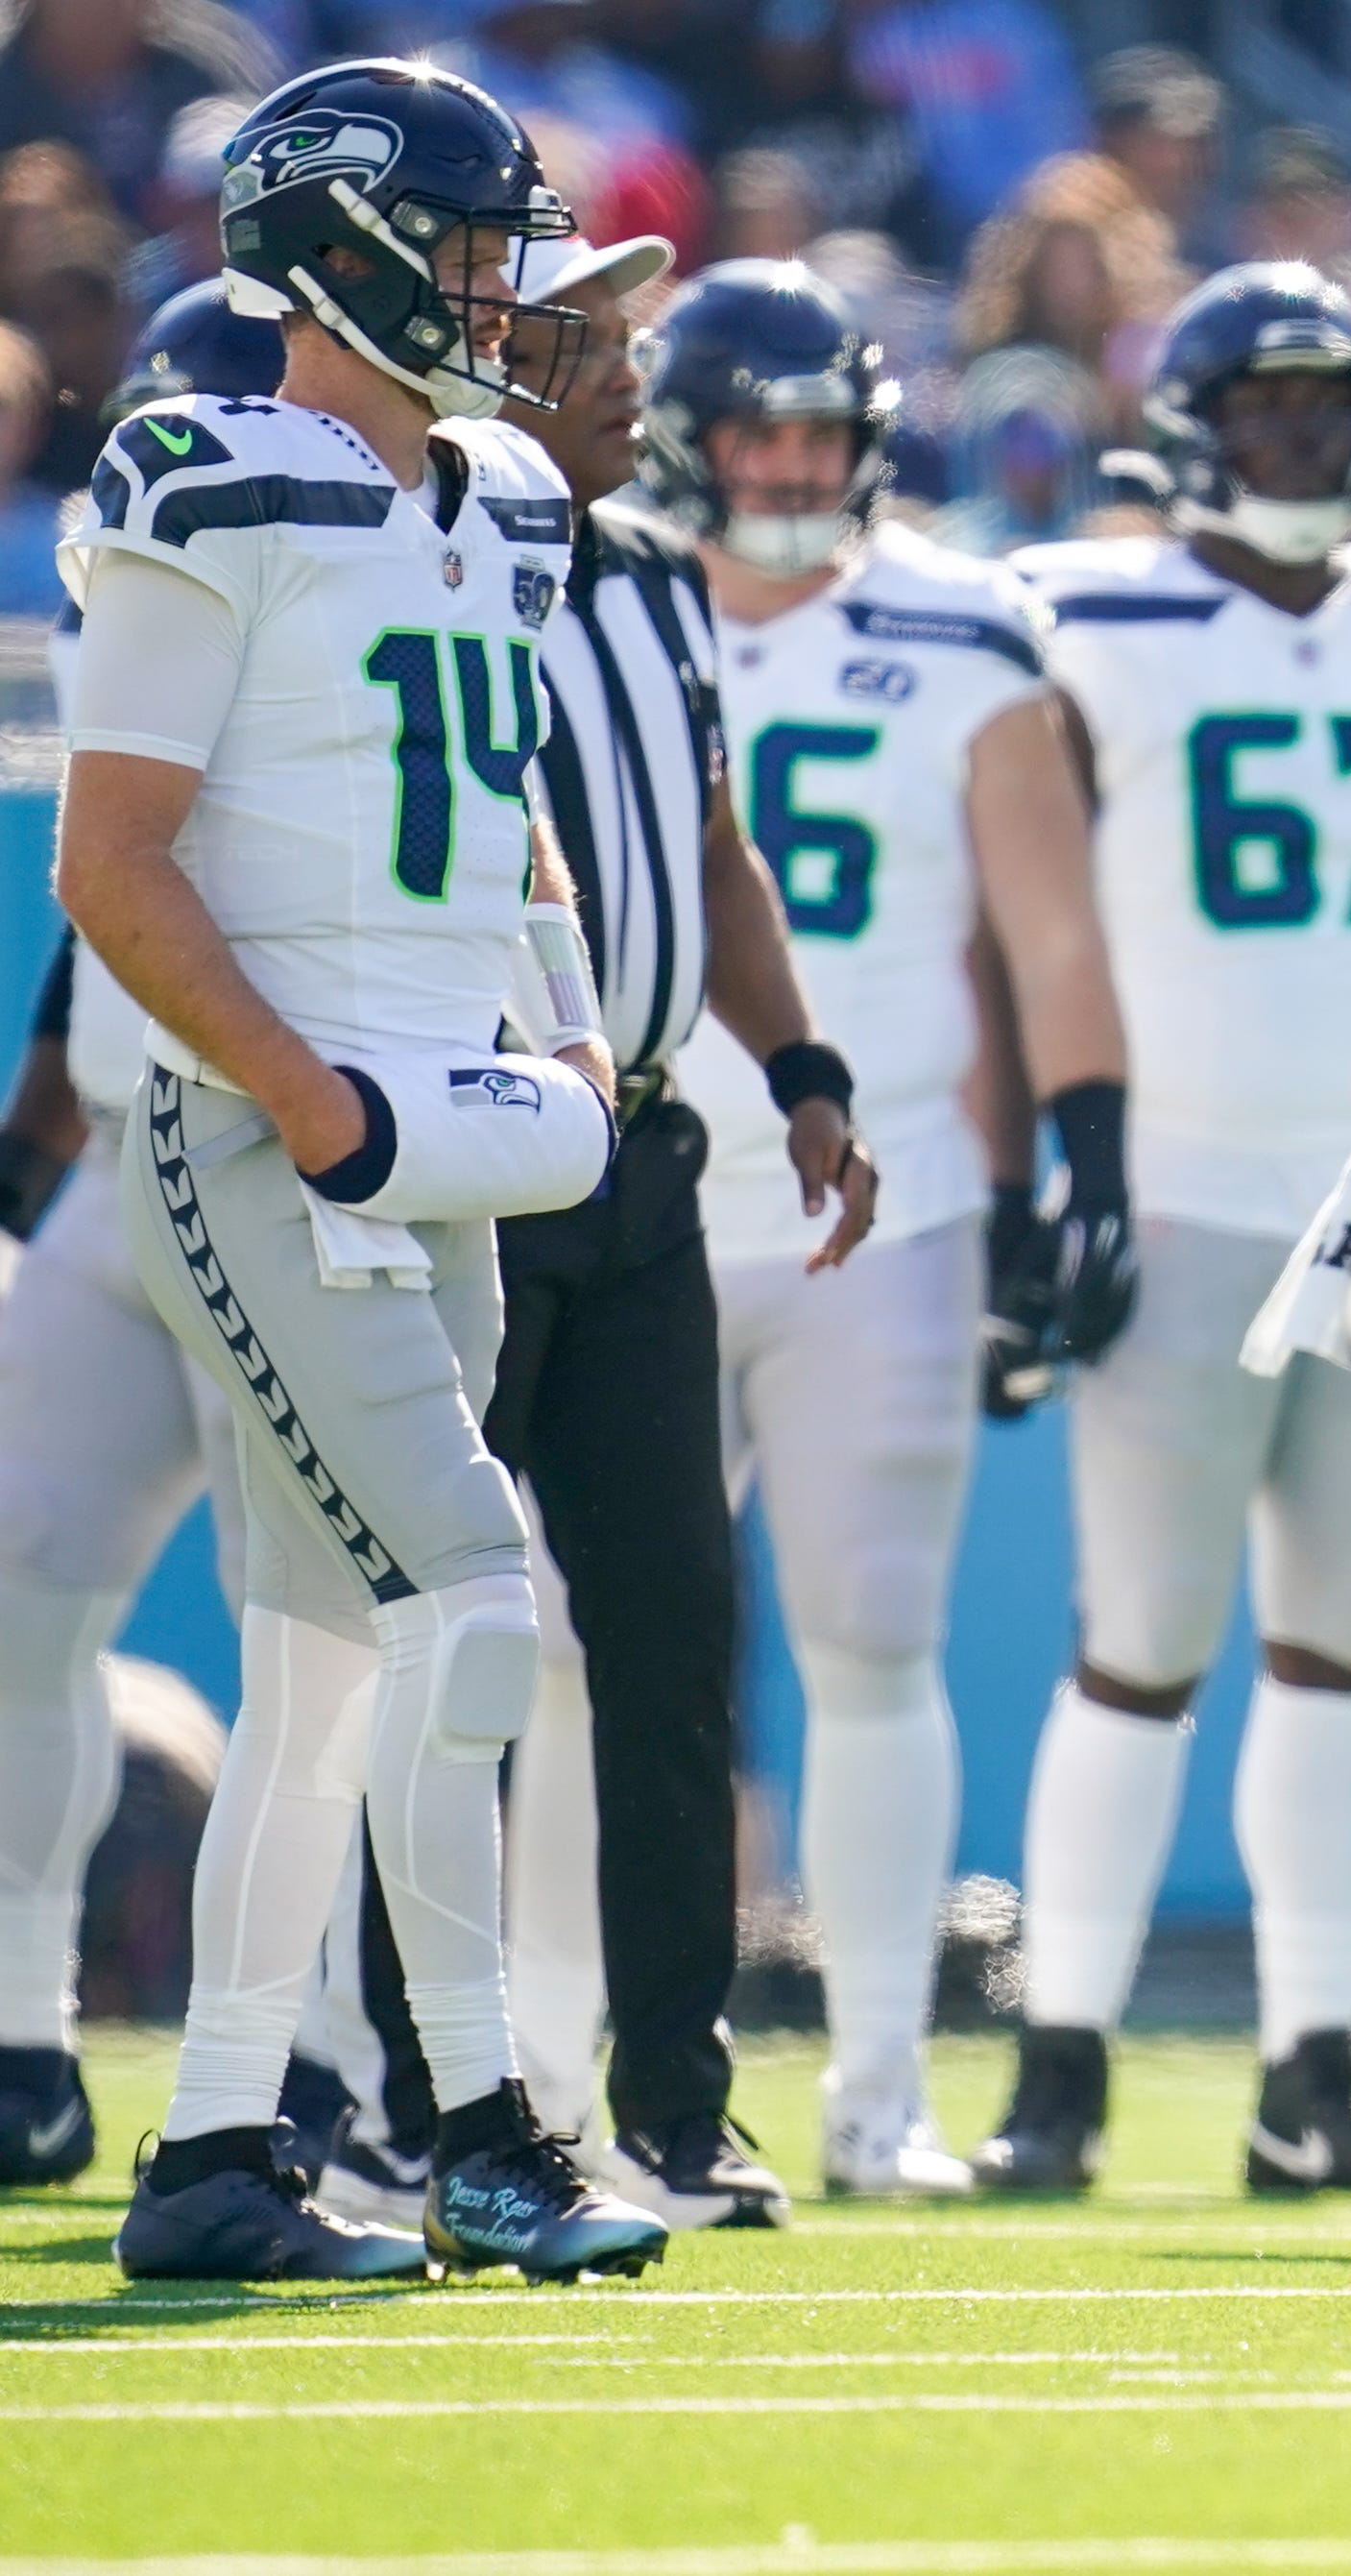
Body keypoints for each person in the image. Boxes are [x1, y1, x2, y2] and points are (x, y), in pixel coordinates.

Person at [69, 59, 659, 2283]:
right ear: (346, 237)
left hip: (447, 1143)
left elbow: (500, 799)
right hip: (276, 1142)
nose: (507, 290)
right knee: (476, 1602)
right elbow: (112, 865)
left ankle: (219, 2153)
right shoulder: (199, 477)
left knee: (328, 1668)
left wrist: (572, 1013)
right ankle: (491, 2122)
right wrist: (310, 1098)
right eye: (479, 241)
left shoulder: (506, 496)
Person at [351, 225, 879, 2235]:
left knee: (672, 1647)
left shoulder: (651, 571)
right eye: (592, 342)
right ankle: (422, 2088)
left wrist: (803, 1065)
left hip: (640, 1155)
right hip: (466, 1142)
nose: (634, 376)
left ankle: (674, 2095)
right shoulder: (410, 546)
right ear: (488, 350)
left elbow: (711, 843)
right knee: (452, 1638)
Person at [986, 263, 1351, 2199]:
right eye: (1262, 409)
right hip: (1178, 1187)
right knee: (1135, 1650)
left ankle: (1314, 2073)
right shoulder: (1079, 612)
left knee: (1342, 1657)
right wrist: (1042, 1178)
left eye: (1323, 407)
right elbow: (1015, 925)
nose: (1294, 442)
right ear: (1192, 427)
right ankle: (1059, 2070)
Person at [639, 258, 1133, 2198]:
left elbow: (1048, 929)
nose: (786, 465)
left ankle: (874, 2087)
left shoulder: (964, 623)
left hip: (895, 1198)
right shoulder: (590, 587)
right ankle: (542, 2063)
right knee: (599, 1656)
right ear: (687, 433)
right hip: (629, 1194)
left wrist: (1072, 1162)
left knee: (871, 1640)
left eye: (818, 431)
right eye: (754, 430)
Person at [0, 279, 278, 2199]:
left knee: (358, 1645)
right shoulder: (146, 630)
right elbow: (87, 952)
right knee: (19, 1596)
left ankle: (324, 2066)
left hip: (303, 1180)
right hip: (124, 1178)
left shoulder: (403, 608)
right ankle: (21, 2035)